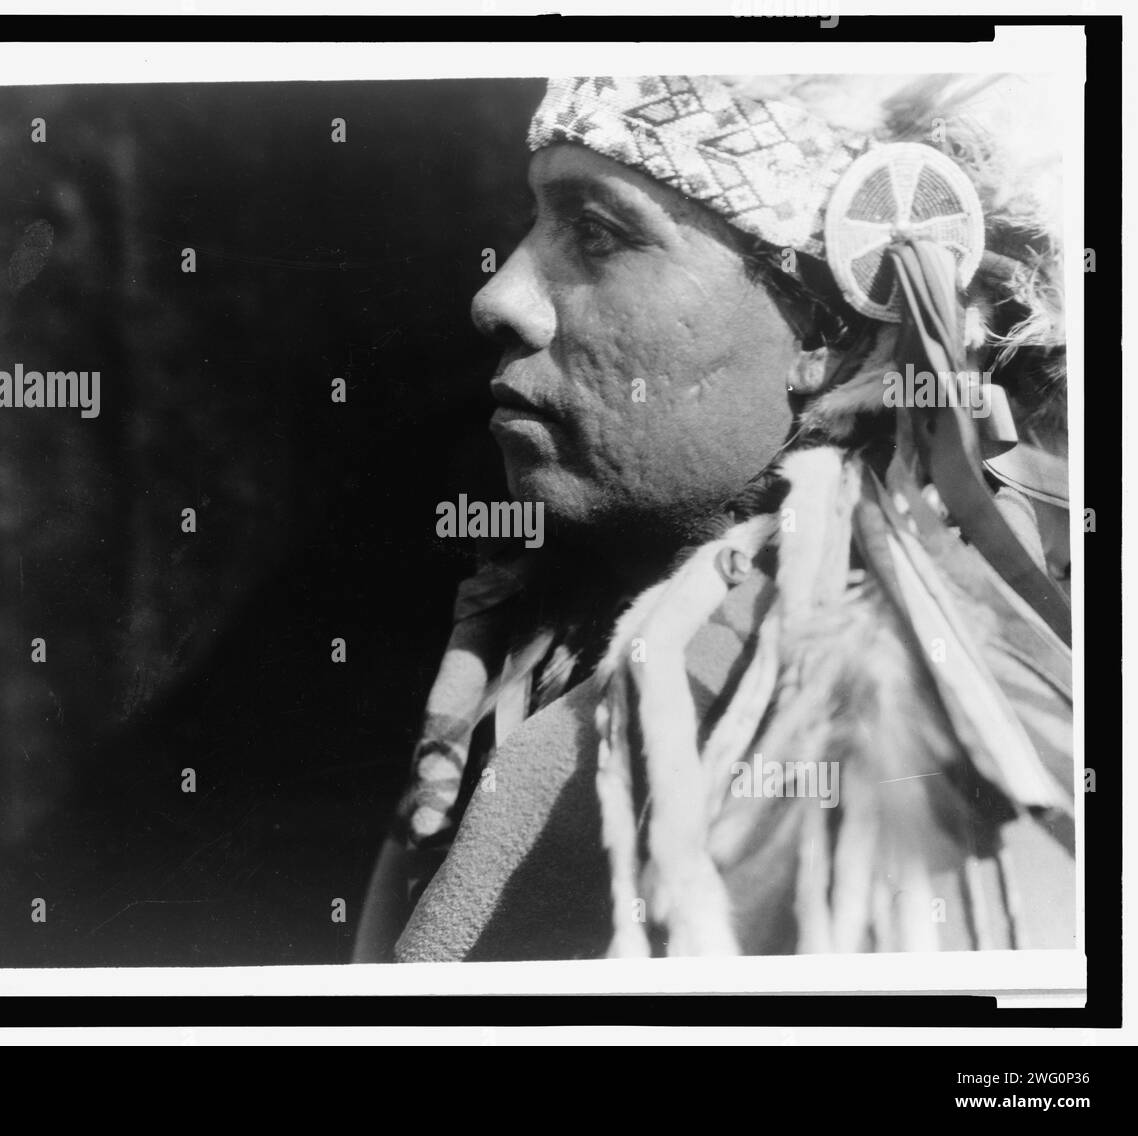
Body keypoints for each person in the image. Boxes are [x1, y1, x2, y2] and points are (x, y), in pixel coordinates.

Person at [354, 74, 1074, 962]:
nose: (499, 297)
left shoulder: (884, 742)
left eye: (597, 233)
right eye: (536, 221)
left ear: (832, 335)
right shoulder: (524, 656)